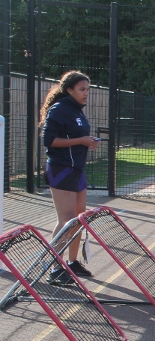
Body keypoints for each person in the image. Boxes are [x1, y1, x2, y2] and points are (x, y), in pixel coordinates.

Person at [39, 70, 100, 285]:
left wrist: (88, 141)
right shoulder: (59, 110)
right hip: (61, 169)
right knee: (66, 220)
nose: (86, 94)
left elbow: (76, 137)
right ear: (69, 90)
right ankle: (55, 267)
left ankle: (73, 262)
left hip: (77, 170)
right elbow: (49, 140)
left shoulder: (77, 111)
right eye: (82, 89)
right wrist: (80, 140)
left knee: (78, 218)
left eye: (87, 90)